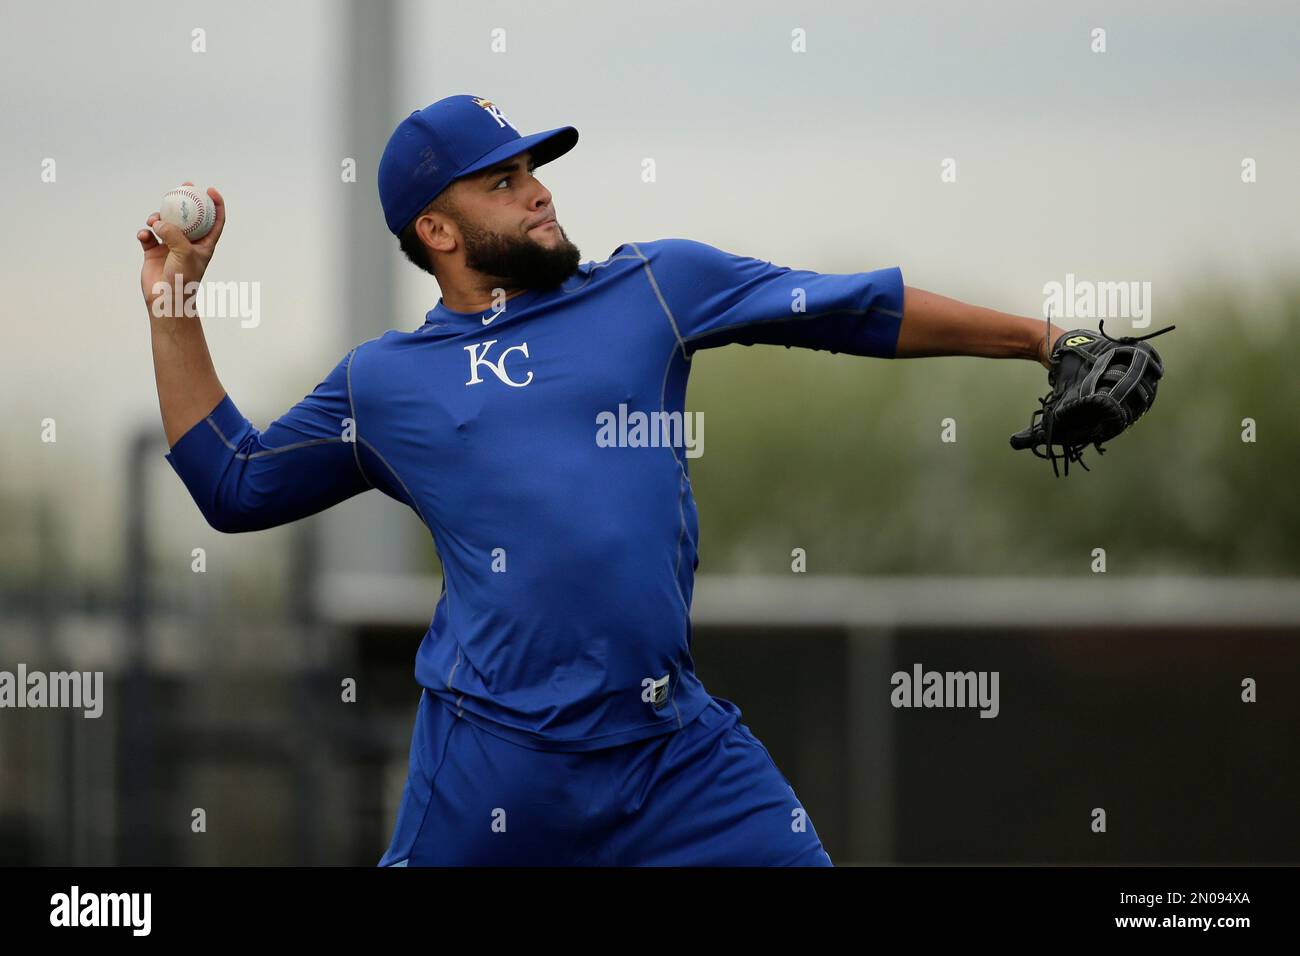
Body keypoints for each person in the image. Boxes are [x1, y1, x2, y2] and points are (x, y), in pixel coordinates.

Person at [137, 94, 1064, 866]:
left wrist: (1044, 341)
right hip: (494, 766)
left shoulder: (655, 289)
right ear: (437, 230)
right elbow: (235, 483)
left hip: (675, 756)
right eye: (503, 181)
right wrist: (174, 301)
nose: (538, 195)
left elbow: (852, 306)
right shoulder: (387, 382)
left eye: (534, 172)